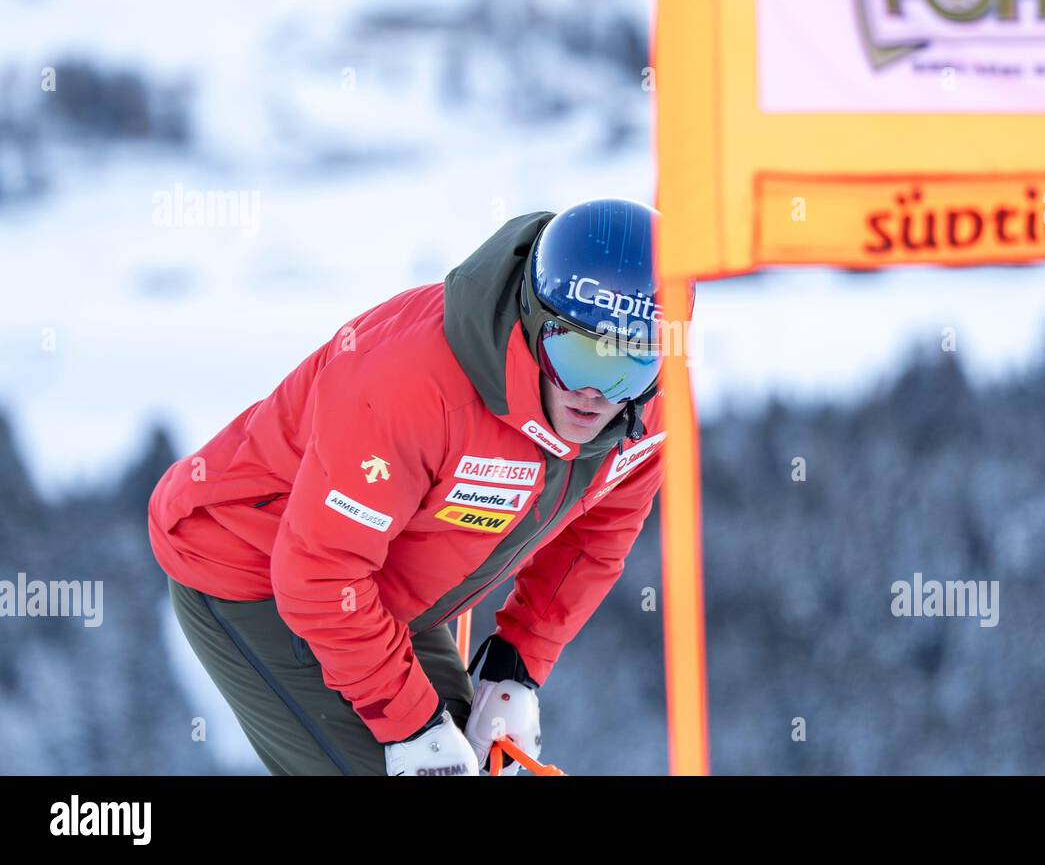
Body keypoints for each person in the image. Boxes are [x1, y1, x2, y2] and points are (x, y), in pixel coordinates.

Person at [148, 198, 690, 775]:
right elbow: (317, 574)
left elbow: (594, 540)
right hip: (253, 570)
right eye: (575, 356)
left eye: (627, 365)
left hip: (382, 591)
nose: (595, 394)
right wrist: (411, 724)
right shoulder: (412, 386)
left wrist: (516, 666)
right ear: (534, 320)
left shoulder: (646, 416)